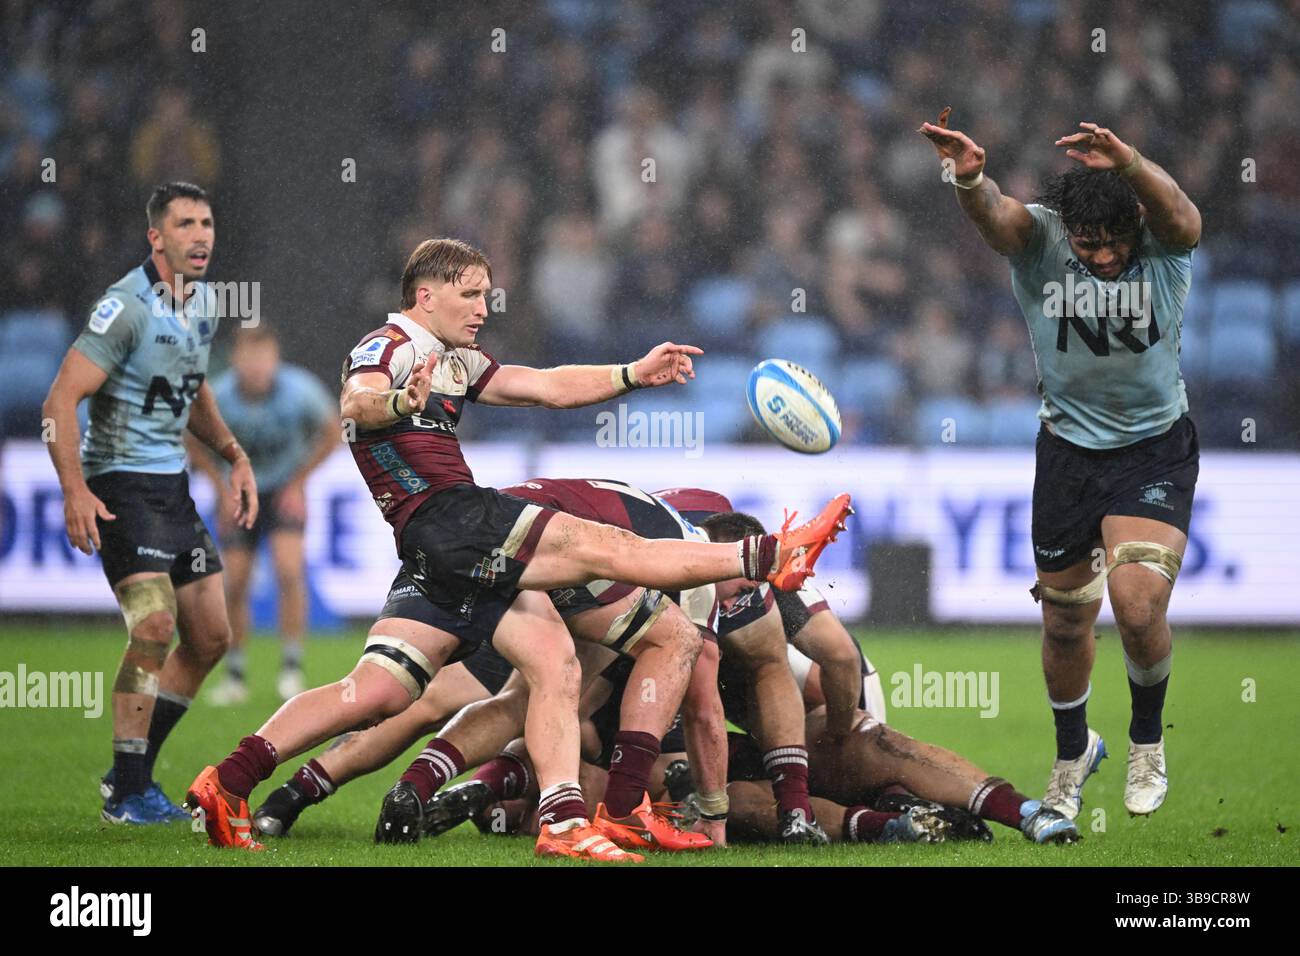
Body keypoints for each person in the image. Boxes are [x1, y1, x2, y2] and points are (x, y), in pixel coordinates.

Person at [185, 238, 850, 861]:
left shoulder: (454, 360)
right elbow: (358, 402)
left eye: (486, 295)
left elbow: (543, 385)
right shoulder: (390, 346)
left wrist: (632, 373)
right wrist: (396, 397)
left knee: (412, 685)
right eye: (471, 294)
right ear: (425, 296)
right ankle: (770, 557)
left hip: (434, 548)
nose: (483, 308)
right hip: (456, 518)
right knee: (608, 549)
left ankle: (232, 778)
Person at [919, 110, 1202, 818]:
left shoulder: (1164, 245)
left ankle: (1146, 742)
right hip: (1068, 453)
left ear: (1133, 224)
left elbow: (1187, 218)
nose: (1103, 257)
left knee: (1137, 607)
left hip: (1152, 448)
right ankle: (1074, 750)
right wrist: (970, 178)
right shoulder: (1040, 239)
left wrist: (1131, 159)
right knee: (1067, 624)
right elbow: (997, 219)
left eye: (1114, 242)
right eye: (1089, 244)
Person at [41, 182, 257, 824]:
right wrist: (74, 489)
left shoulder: (206, 303)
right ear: (156, 238)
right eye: (186, 224)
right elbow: (57, 402)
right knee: (155, 625)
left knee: (213, 638)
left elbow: (191, 392)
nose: (202, 235)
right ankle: (131, 789)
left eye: (208, 222)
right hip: (118, 488)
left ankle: (128, 778)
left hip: (172, 490)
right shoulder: (125, 307)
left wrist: (233, 453)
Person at [189, 325, 338, 703]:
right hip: (240, 493)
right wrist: (220, 488)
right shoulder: (220, 394)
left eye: (263, 358)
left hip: (283, 489)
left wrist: (299, 482)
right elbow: (190, 438)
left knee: (289, 572)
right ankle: (235, 674)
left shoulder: (299, 389)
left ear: (275, 359)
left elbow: (333, 430)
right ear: (235, 359)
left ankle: (291, 668)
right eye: (249, 358)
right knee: (234, 583)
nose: (256, 367)